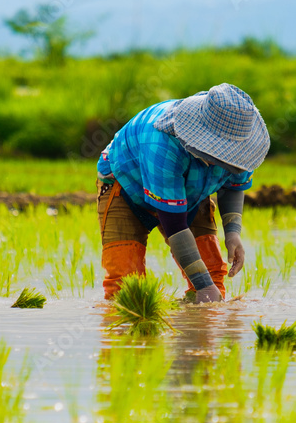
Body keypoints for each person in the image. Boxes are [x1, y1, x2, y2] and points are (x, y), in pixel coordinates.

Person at [96, 83, 270, 302]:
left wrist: (233, 233)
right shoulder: (162, 143)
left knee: (212, 274)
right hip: (128, 184)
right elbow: (175, 226)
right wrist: (204, 287)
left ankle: (199, 332)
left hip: (190, 190)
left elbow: (233, 186)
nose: (225, 162)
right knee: (126, 288)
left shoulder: (241, 143)